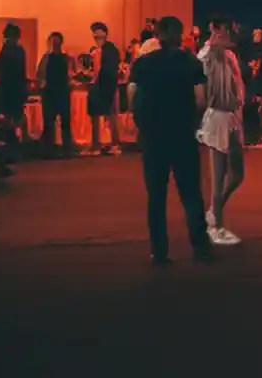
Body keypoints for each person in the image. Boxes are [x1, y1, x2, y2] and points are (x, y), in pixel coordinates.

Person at [128, 16, 211, 265]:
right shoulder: (191, 63)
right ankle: (200, 245)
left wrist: (141, 122)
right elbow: (200, 99)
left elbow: (131, 95)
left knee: (156, 195)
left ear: (157, 34)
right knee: (190, 193)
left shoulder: (142, 64)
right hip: (182, 135)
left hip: (153, 136)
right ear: (180, 34)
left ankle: (159, 251)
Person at [197, 15, 245, 246]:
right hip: (217, 116)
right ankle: (215, 226)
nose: (232, 33)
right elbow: (200, 91)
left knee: (237, 173)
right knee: (217, 177)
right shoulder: (205, 56)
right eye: (227, 29)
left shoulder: (229, 56)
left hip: (233, 116)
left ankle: (213, 212)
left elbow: (238, 87)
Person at [37, 32, 75, 157]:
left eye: (57, 42)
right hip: (49, 92)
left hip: (62, 91)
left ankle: (67, 150)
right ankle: (49, 150)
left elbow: (71, 73)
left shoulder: (66, 58)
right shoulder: (46, 58)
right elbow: (40, 74)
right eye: (53, 42)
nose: (55, 45)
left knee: (65, 122)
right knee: (49, 122)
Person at [87, 22, 122, 155]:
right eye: (94, 34)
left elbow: (105, 70)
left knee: (110, 116)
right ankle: (100, 144)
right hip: (103, 85)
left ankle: (112, 144)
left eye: (98, 33)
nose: (96, 36)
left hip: (108, 85)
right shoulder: (99, 50)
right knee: (101, 116)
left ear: (105, 34)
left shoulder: (109, 50)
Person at [0, 24, 27, 149]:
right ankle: (14, 139)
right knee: (15, 115)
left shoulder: (4, 50)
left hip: (7, 87)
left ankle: (11, 139)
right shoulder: (18, 51)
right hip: (15, 87)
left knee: (9, 115)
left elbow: (1, 70)